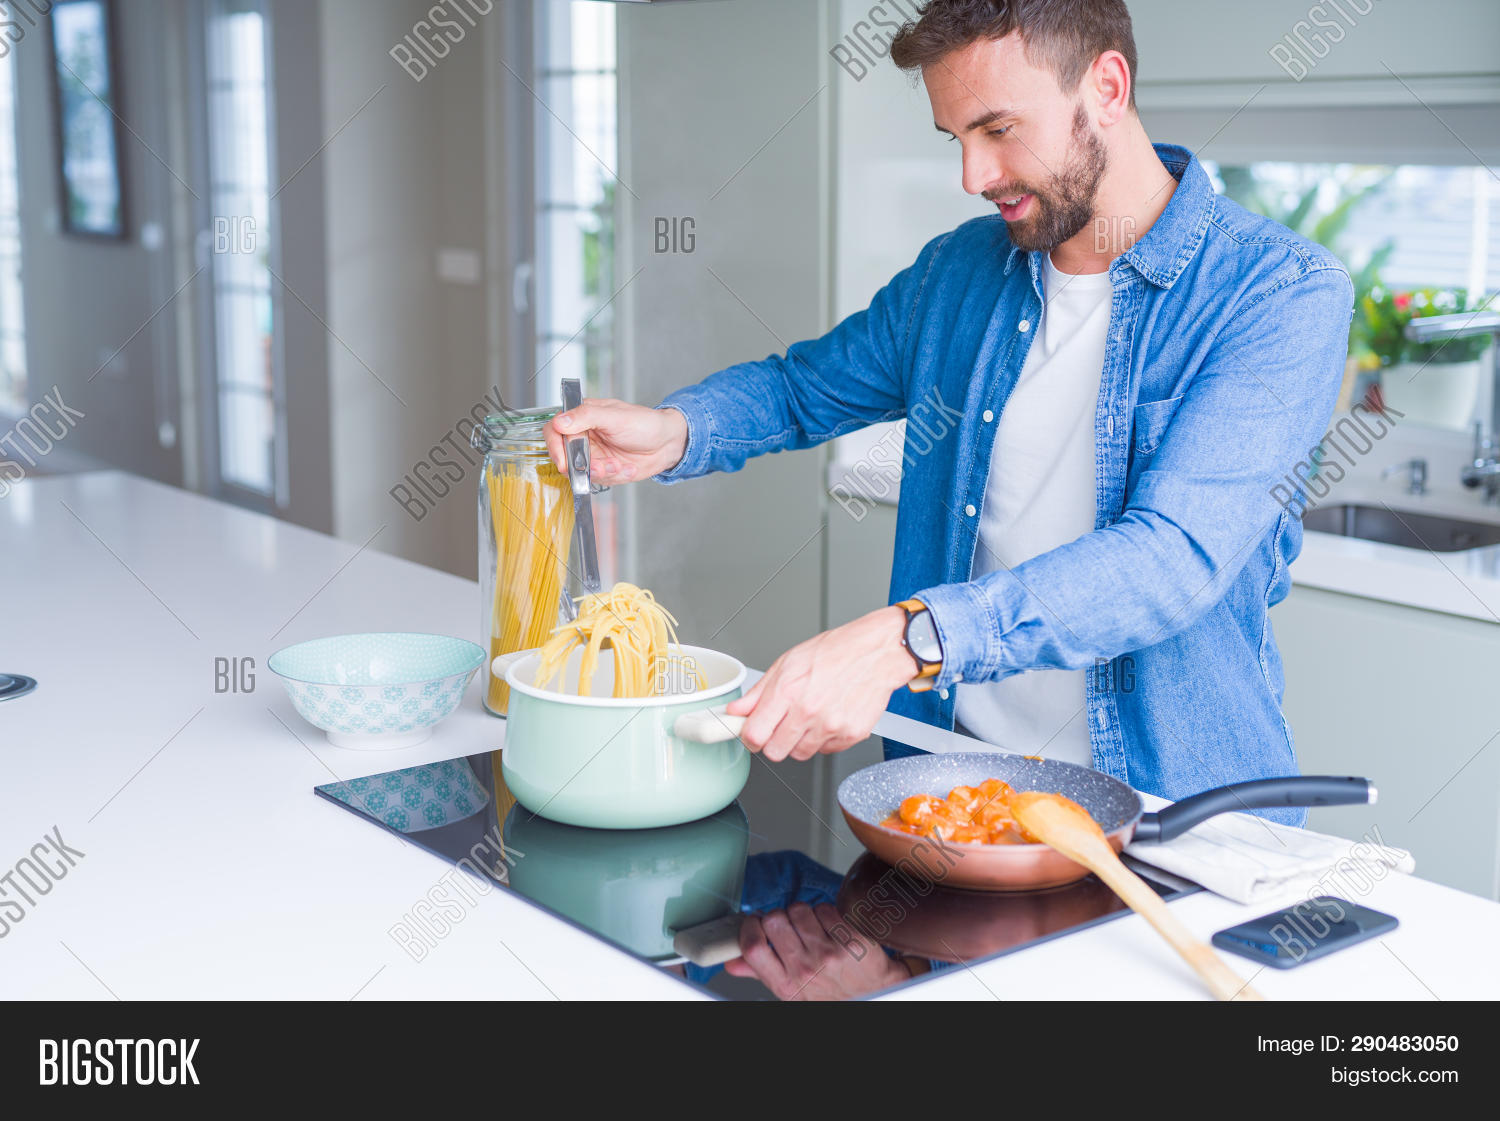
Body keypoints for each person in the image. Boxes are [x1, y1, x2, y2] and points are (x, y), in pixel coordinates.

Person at [543, 0, 1352, 824]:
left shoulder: (1277, 293)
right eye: (957, 138)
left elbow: (1172, 558)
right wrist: (677, 432)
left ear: (1107, 85)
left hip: (1176, 824)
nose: (974, 176)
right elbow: (799, 389)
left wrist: (908, 639)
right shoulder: (960, 272)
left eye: (999, 129)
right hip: (958, 802)